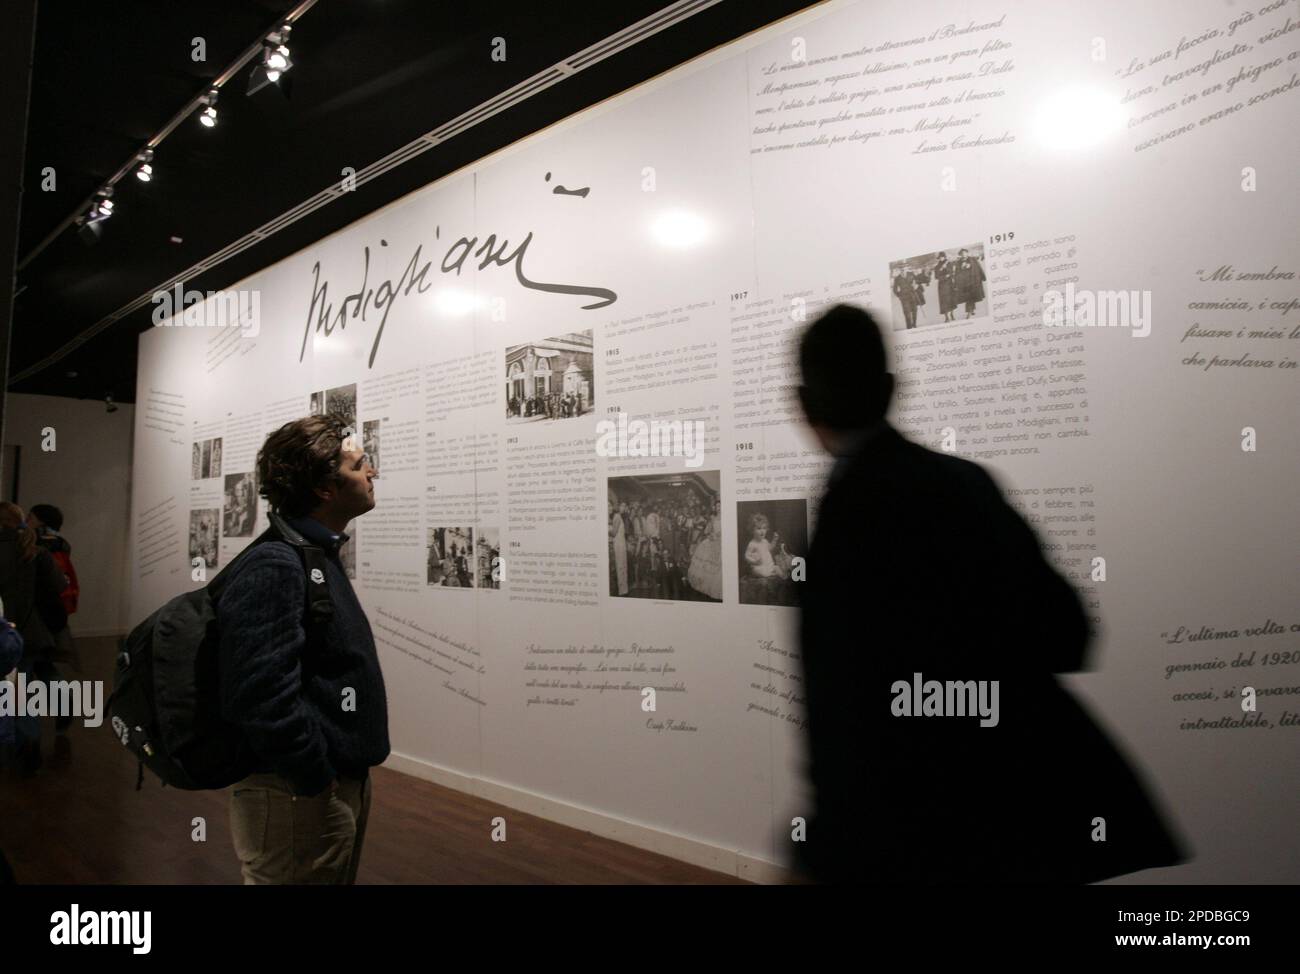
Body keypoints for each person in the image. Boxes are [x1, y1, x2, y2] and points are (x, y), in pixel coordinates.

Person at [794, 303, 1187, 884]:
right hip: (1020, 805)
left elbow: (840, 704)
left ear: (803, 405)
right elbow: (1067, 632)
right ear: (891, 388)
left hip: (916, 829)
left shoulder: (843, 516)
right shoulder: (963, 485)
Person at [218, 415, 388, 884]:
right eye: (359, 465)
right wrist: (314, 776)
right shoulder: (276, 564)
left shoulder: (311, 555)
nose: (372, 473)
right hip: (295, 793)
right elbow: (258, 694)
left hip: (319, 786)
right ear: (325, 489)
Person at [0, 502, 69, 775]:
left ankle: (24, 744)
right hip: (28, 633)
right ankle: (28, 741)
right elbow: (60, 585)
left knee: (14, 691)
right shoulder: (37, 552)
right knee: (23, 686)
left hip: (5, 630)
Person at [686, 499, 723, 601]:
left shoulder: (727, 517)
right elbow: (708, 530)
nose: (718, 508)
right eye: (717, 506)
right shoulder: (713, 518)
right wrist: (711, 535)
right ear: (715, 508)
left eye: (720, 506)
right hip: (713, 541)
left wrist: (719, 536)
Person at [953, 247, 986, 318]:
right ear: (960, 255)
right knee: (969, 298)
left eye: (965, 253)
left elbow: (979, 267)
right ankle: (971, 310)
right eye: (962, 254)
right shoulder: (958, 263)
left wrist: (983, 276)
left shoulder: (973, 259)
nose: (964, 255)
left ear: (967, 253)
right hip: (965, 283)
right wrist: (956, 284)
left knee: (971, 297)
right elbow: (956, 273)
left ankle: (969, 312)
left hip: (973, 281)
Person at [932, 252, 956, 322]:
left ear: (945, 257)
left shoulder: (949, 264)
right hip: (942, 285)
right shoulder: (937, 267)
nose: (941, 258)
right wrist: (943, 275)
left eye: (942, 257)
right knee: (944, 301)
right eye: (940, 257)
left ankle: (952, 314)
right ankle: (946, 317)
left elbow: (952, 273)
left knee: (951, 300)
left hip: (949, 284)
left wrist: (946, 269)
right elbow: (936, 277)